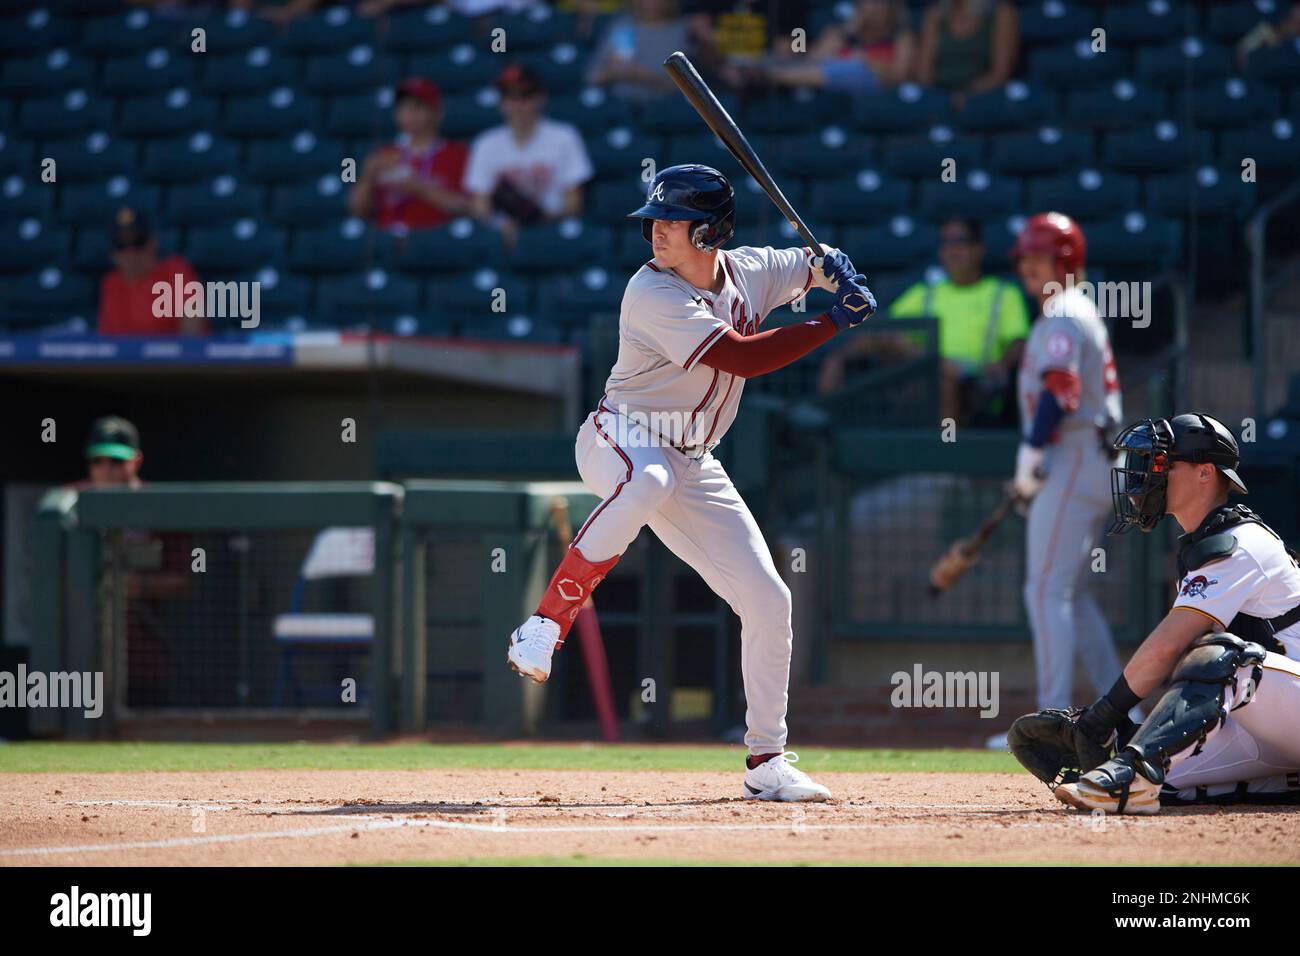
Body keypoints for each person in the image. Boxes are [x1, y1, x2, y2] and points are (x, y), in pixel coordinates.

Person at [504, 164, 876, 801]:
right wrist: (832, 322)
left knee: (768, 600)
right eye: (655, 220)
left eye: (673, 221)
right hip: (619, 435)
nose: (657, 231)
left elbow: (809, 267)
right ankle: (545, 622)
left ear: (711, 233)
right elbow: (742, 356)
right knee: (646, 479)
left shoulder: (752, 269)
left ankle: (767, 762)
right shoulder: (650, 292)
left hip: (696, 459)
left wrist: (832, 268)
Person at [1012, 413, 1300, 814]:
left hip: (1287, 703)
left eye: (1162, 463)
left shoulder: (1241, 543)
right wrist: (1125, 734)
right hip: (1270, 726)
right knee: (1168, 781)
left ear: (1205, 474)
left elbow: (1168, 646)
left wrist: (1100, 719)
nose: (1147, 472)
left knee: (1225, 657)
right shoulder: (1202, 546)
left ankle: (1132, 773)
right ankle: (1147, 768)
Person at [1004, 212, 1125, 748]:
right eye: (1025, 258)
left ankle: (1052, 721)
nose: (1028, 267)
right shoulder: (1075, 310)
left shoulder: (1063, 314)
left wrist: (1031, 452)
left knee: (1045, 591)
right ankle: (1122, 711)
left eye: (1038, 257)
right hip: (1092, 457)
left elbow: (1060, 391)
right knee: (1072, 595)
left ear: (1065, 261)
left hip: (1074, 454)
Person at [817, 217, 1028, 425]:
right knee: (900, 346)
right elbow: (883, 332)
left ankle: (947, 446)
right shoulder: (925, 293)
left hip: (978, 386)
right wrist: (838, 358)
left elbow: (1018, 342)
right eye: (946, 243)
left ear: (979, 248)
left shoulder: (1004, 294)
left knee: (946, 373)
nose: (953, 250)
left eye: (960, 242)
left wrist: (1002, 365)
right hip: (927, 383)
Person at [463, 64, 594, 246]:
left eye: (525, 96)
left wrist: (537, 220)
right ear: (501, 103)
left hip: (551, 231)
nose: (517, 105)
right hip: (503, 235)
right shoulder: (485, 143)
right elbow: (480, 205)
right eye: (510, 97)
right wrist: (503, 226)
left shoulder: (565, 137)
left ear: (540, 98)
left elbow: (574, 203)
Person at [348, 77, 471, 234]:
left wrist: (418, 188)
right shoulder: (383, 154)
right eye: (403, 108)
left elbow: (467, 208)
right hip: (387, 240)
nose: (409, 114)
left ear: (437, 112)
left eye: (417, 107)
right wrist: (367, 176)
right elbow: (357, 211)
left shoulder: (459, 154)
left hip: (435, 240)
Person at [757, 0, 915, 94]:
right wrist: (849, 29)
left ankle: (769, 75)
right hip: (830, 94)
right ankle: (767, 71)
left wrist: (867, 61)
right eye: (867, 2)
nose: (873, 8)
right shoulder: (838, 33)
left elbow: (898, 76)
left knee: (856, 68)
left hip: (875, 90)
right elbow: (812, 61)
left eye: (879, 3)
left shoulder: (901, 36)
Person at [98, 208, 206, 336]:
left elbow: (193, 336)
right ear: (112, 253)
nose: (131, 253)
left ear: (153, 242)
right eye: (121, 245)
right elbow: (107, 343)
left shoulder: (175, 271)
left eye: (139, 242)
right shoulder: (111, 284)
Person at [914, 0, 1018, 108]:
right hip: (940, 94)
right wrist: (944, 98)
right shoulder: (935, 15)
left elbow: (999, 74)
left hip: (983, 95)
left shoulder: (1001, 13)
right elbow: (924, 73)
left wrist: (967, 94)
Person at [586, 0, 694, 104]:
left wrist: (645, 76)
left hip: (665, 111)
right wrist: (611, 72)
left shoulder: (683, 30)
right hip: (616, 108)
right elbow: (591, 77)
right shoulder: (621, 25)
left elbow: (690, 87)